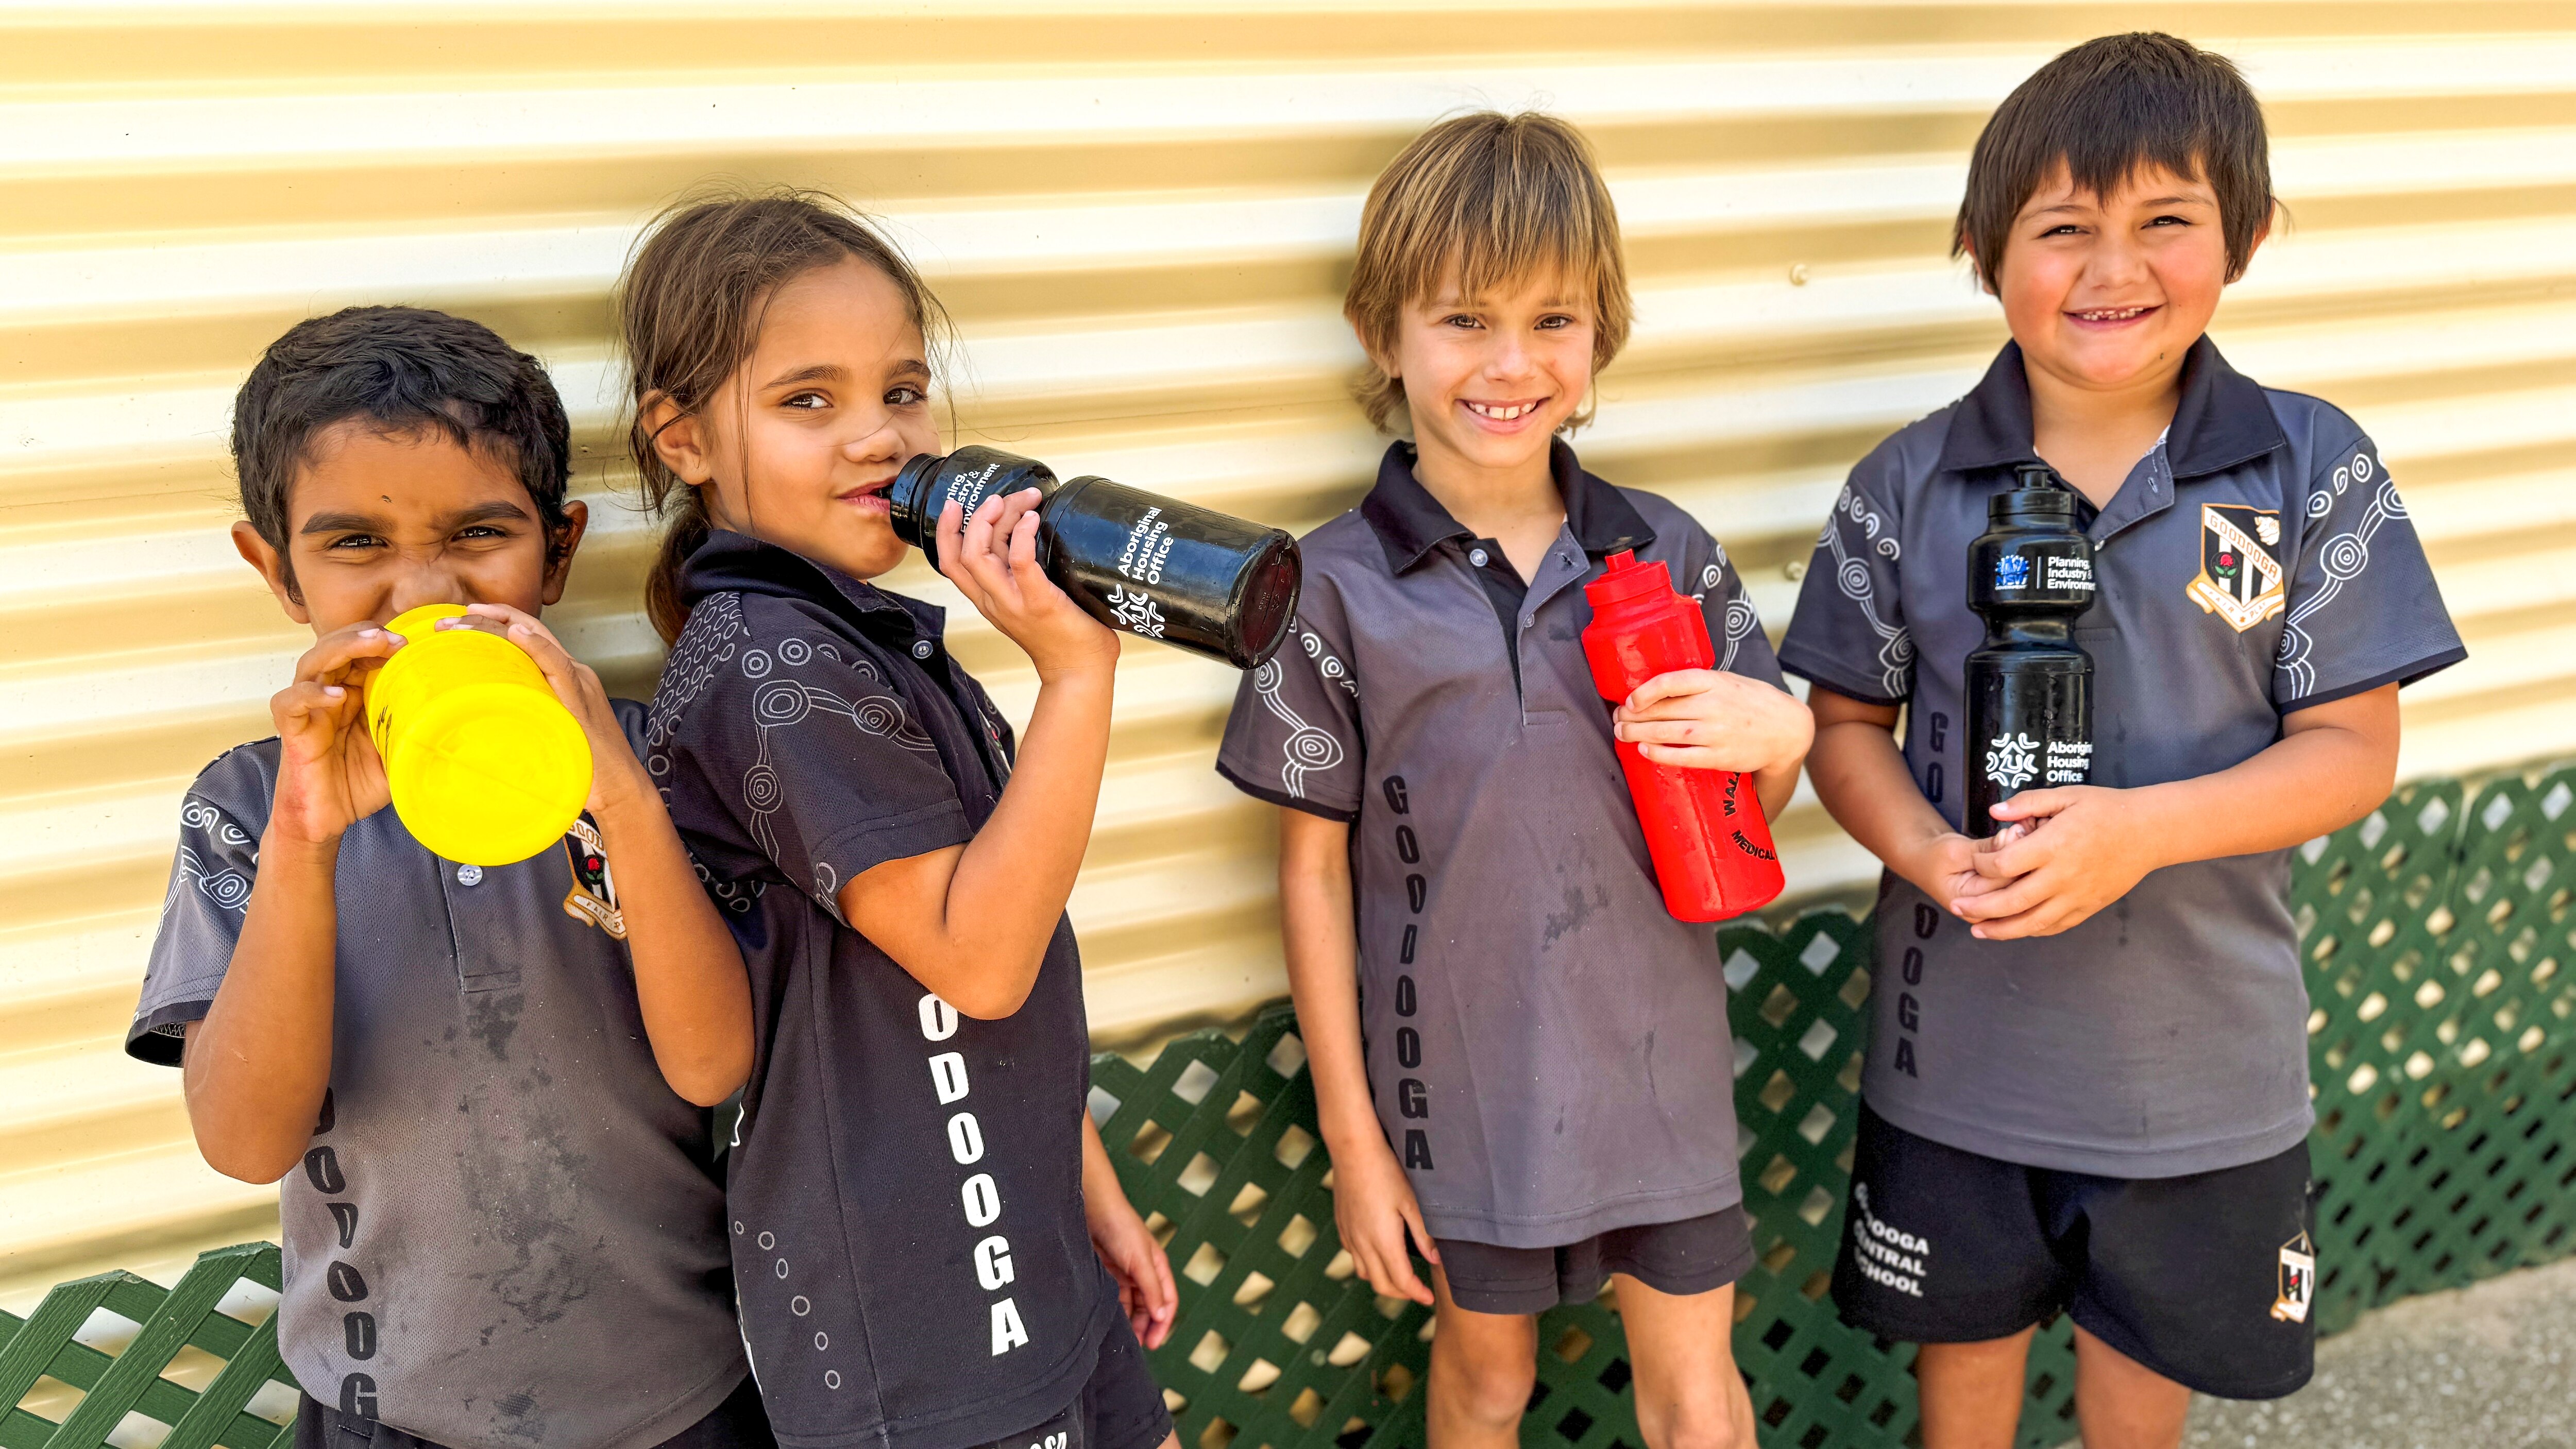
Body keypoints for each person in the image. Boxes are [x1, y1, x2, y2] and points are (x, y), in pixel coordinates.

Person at [1776, 33, 2466, 1449]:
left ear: (2250, 237)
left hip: (2198, 1077)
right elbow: (1845, 719)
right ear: (1981, 248)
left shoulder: (2306, 465)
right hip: (1956, 1063)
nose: (2113, 269)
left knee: (2135, 1403)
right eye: (2064, 228)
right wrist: (1920, 844)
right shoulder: (1906, 484)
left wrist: (2142, 827)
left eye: (2167, 221)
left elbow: (2351, 748)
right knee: (1959, 1389)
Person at [1215, 113, 1809, 1449]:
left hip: (1659, 1062)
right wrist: (1357, 1140)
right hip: (1462, 1083)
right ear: (1384, 334)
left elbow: (1735, 817)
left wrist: (1788, 746)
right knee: (1485, 1381)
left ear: (1601, 334)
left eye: (1554, 319)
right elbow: (1310, 871)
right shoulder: (1328, 586)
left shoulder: (1664, 550)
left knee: (1697, 1391)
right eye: (1464, 319)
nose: (1511, 363)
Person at [128, 306, 767, 1449]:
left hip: (678, 1400)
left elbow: (714, 1061)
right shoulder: (248, 809)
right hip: (393, 1415)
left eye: (481, 533)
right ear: (276, 571)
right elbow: (242, 1140)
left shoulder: (647, 768)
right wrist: (305, 843)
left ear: (559, 551)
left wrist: (615, 796)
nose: (424, 594)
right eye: (356, 544)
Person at [624, 189, 1179, 1449]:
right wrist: (1078, 676)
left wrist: (1081, 1190)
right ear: (683, 441)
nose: (877, 437)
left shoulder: (860, 637)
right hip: (919, 1322)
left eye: (902, 390)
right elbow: (973, 960)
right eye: (807, 400)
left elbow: (1008, 935)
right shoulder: (769, 663)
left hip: (1018, 1255)